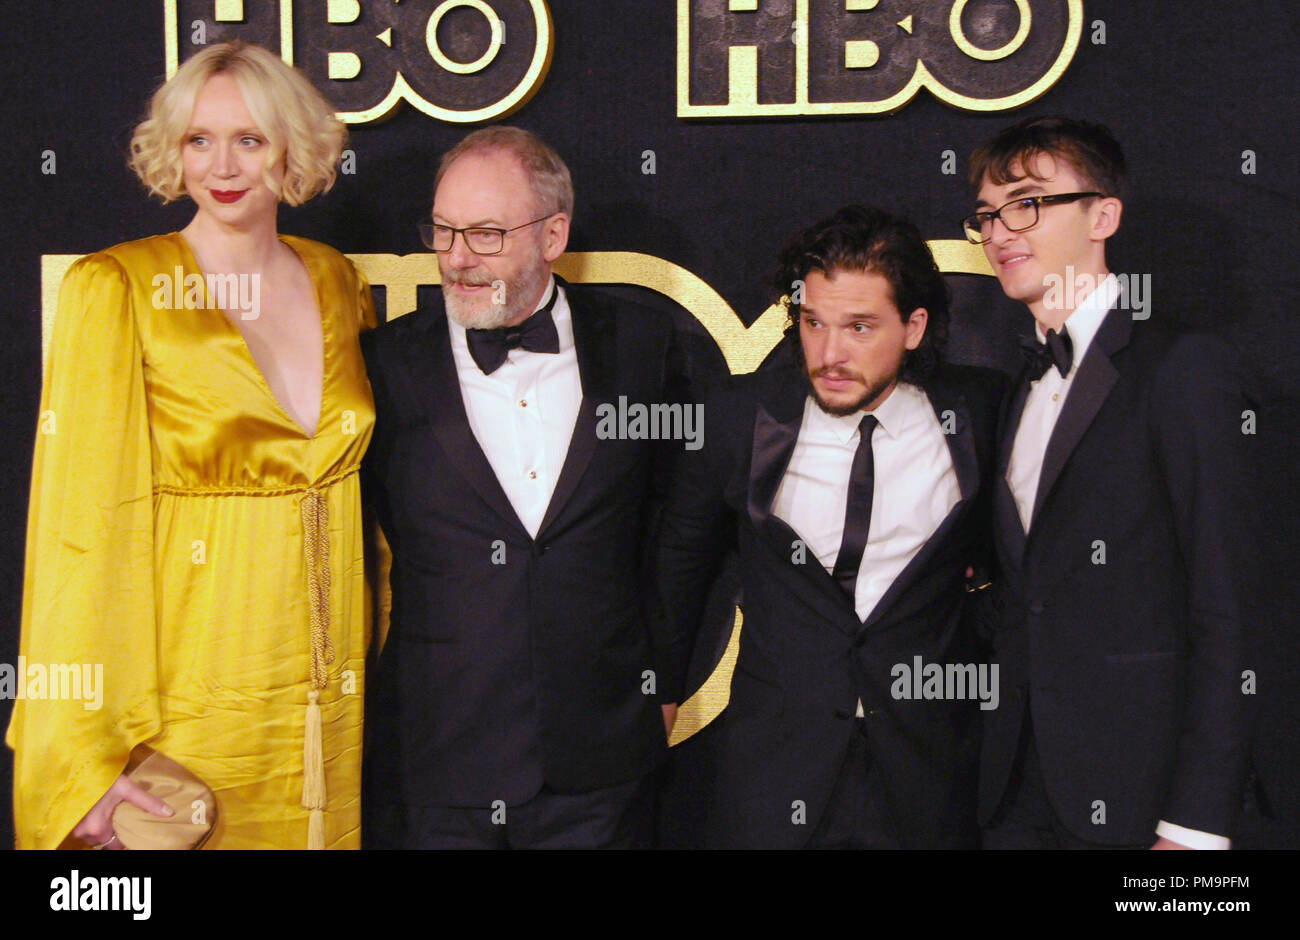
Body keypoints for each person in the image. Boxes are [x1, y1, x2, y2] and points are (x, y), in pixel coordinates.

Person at [6, 40, 375, 850]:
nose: (224, 164)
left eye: (249, 138)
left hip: (330, 690)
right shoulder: (118, 288)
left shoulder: (336, 280)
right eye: (199, 139)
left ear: (292, 147)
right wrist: (83, 748)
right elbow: (79, 529)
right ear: (172, 151)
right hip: (188, 691)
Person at [360, 126, 700, 849]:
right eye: (443, 230)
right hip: (437, 763)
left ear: (553, 235)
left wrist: (662, 685)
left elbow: (677, 527)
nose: (456, 257)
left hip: (601, 764)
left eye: (485, 234)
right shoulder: (382, 366)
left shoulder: (641, 347)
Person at [652, 206, 1006, 848]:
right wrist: (660, 696)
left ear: (915, 327)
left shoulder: (981, 411)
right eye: (813, 322)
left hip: (930, 768)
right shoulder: (738, 420)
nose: (830, 353)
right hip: (773, 766)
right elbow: (680, 566)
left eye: (860, 327)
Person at [965, 115, 1253, 848]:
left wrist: (1196, 823)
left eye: (1027, 202)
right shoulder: (1017, 385)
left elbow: (1232, 608)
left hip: (1147, 797)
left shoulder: (1182, 367)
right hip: (1017, 796)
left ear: (1103, 215)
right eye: (988, 214)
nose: (1001, 231)